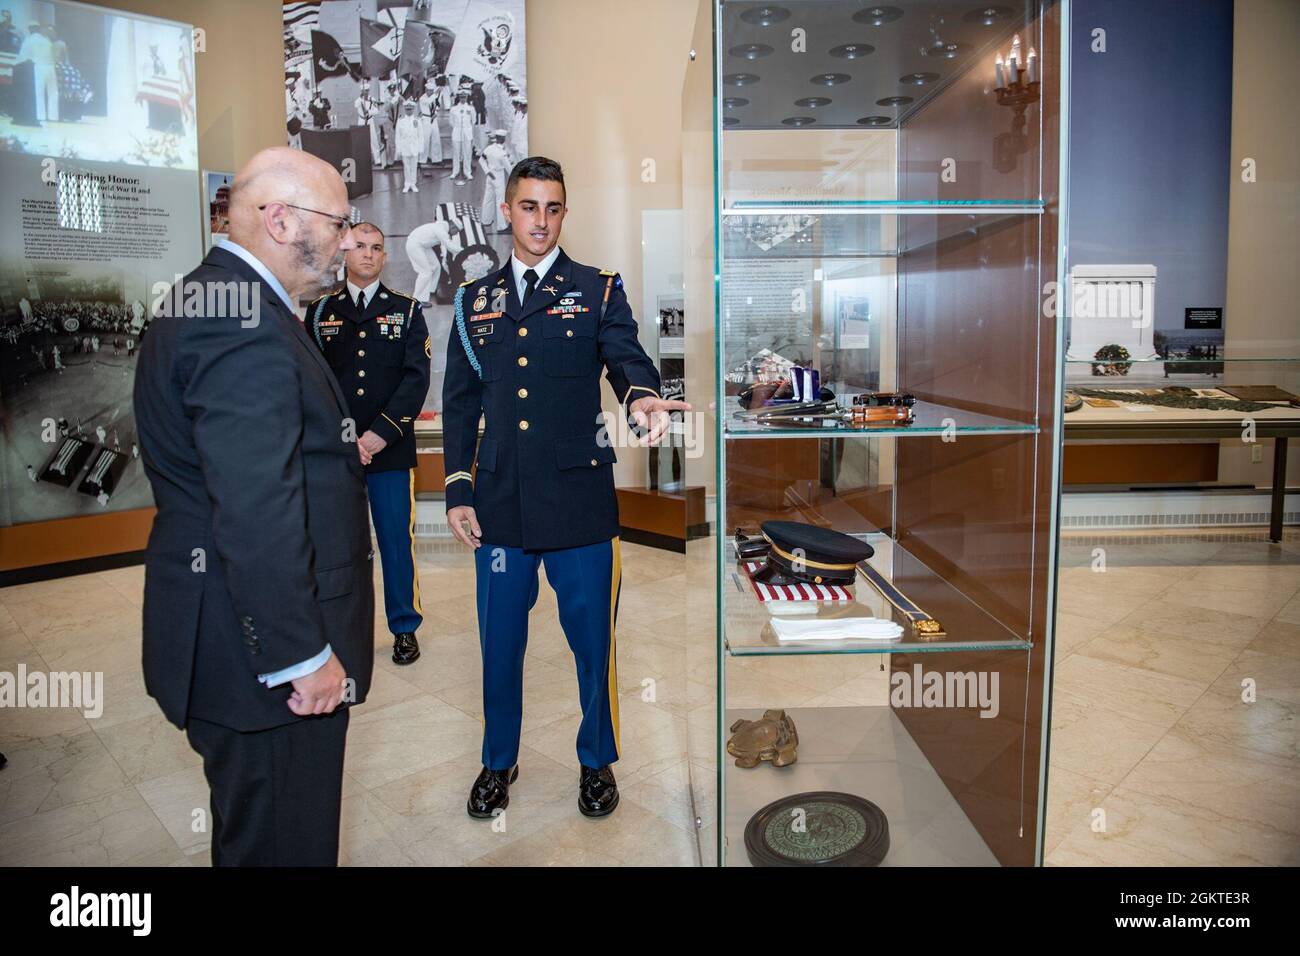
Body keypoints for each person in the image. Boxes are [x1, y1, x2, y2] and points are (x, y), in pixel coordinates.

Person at [132, 146, 373, 867]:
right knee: (281, 847)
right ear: (278, 220)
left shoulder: (219, 299)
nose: (347, 240)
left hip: (237, 647)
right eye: (337, 222)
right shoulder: (240, 321)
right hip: (264, 668)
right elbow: (257, 510)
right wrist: (303, 655)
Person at [442, 156, 690, 820]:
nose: (541, 221)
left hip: (579, 501)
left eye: (553, 208)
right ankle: (499, 761)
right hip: (498, 505)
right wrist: (459, 490)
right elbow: (462, 404)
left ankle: (596, 759)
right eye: (529, 207)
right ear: (506, 211)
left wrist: (643, 398)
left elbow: (627, 356)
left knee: (592, 644)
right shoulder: (475, 300)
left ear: (563, 213)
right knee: (498, 643)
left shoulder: (597, 288)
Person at [307, 223, 430, 665]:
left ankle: (404, 627)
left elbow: (416, 381)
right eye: (360, 246)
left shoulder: (408, 311)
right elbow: (313, 383)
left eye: (377, 248)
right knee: (342, 545)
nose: (369, 254)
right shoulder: (320, 313)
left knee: (397, 540)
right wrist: (344, 439)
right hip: (338, 456)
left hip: (391, 450)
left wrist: (378, 435)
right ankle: (342, 631)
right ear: (344, 252)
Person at [406, 217, 463, 304]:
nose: (456, 234)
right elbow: (449, 246)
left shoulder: (442, 226)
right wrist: (464, 250)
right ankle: (418, 299)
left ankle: (430, 290)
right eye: (457, 231)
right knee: (425, 272)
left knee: (436, 266)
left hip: (423, 246)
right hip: (415, 245)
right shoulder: (441, 230)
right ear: (453, 227)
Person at [18, 23, 56, 124]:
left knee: (39, 93)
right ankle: (53, 116)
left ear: (30, 29)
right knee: (53, 93)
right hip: (51, 67)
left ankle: (41, 115)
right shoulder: (46, 40)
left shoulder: (29, 40)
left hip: (39, 67)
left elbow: (23, 57)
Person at [478, 129, 511, 232]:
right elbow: (509, 169)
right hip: (498, 176)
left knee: (488, 198)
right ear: (503, 139)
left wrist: (487, 171)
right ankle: (502, 226)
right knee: (500, 201)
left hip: (490, 175)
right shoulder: (502, 153)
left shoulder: (489, 148)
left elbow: (481, 160)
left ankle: (486, 220)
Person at [395, 99, 422, 193]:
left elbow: (420, 135)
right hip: (405, 147)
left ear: (413, 109)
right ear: (405, 109)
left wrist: (420, 148)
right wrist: (398, 149)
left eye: (410, 109)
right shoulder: (401, 120)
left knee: (414, 166)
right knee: (406, 166)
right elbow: (398, 136)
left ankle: (413, 184)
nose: (409, 111)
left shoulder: (417, 120)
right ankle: (407, 184)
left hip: (414, 146)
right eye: (407, 109)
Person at [448, 90, 475, 184]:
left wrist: (467, 128)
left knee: (467, 152)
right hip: (456, 131)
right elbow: (451, 121)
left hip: (467, 132)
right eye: (461, 97)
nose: (463, 99)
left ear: (467, 97)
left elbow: (473, 121)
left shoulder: (471, 108)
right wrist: (457, 127)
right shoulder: (454, 109)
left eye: (465, 97)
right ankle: (455, 171)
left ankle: (467, 172)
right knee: (456, 152)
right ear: (459, 98)